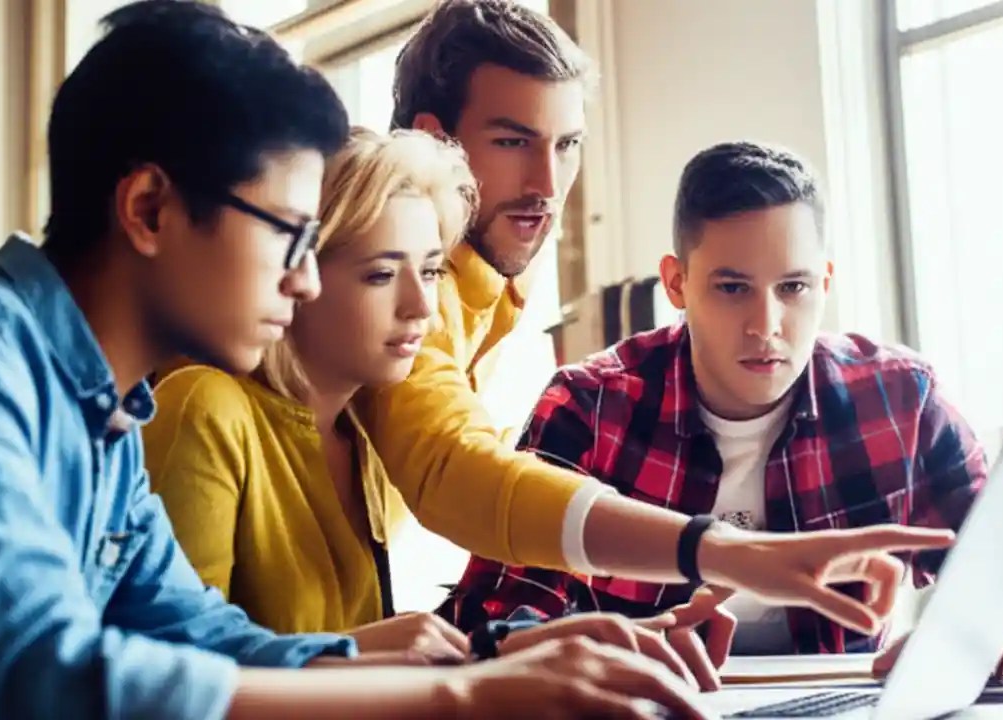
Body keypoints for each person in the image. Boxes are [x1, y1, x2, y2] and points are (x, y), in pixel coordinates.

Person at [0, 3, 723, 718]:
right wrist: (456, 696)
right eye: (289, 233)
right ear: (149, 208)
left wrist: (493, 657)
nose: (306, 280)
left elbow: (203, 642)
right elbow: (29, 666)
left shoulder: (109, 423)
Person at [351, 0, 956, 668]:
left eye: (568, 144)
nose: (548, 185)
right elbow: (456, 472)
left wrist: (993, 643)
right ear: (677, 284)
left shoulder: (897, 393)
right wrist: (716, 552)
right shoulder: (556, 380)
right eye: (513, 141)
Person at [443, 140, 1003, 683]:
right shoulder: (590, 408)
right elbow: (496, 614)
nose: (767, 325)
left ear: (825, 283)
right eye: (732, 288)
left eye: (794, 287)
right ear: (676, 283)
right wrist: (588, 651)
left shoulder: (902, 402)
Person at [142, 126, 730, 688]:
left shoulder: (357, 438)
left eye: (429, 270)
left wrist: (544, 644)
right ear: (295, 274)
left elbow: (361, 664)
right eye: (380, 275)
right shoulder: (204, 406)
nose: (421, 306)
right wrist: (377, 652)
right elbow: (165, 677)